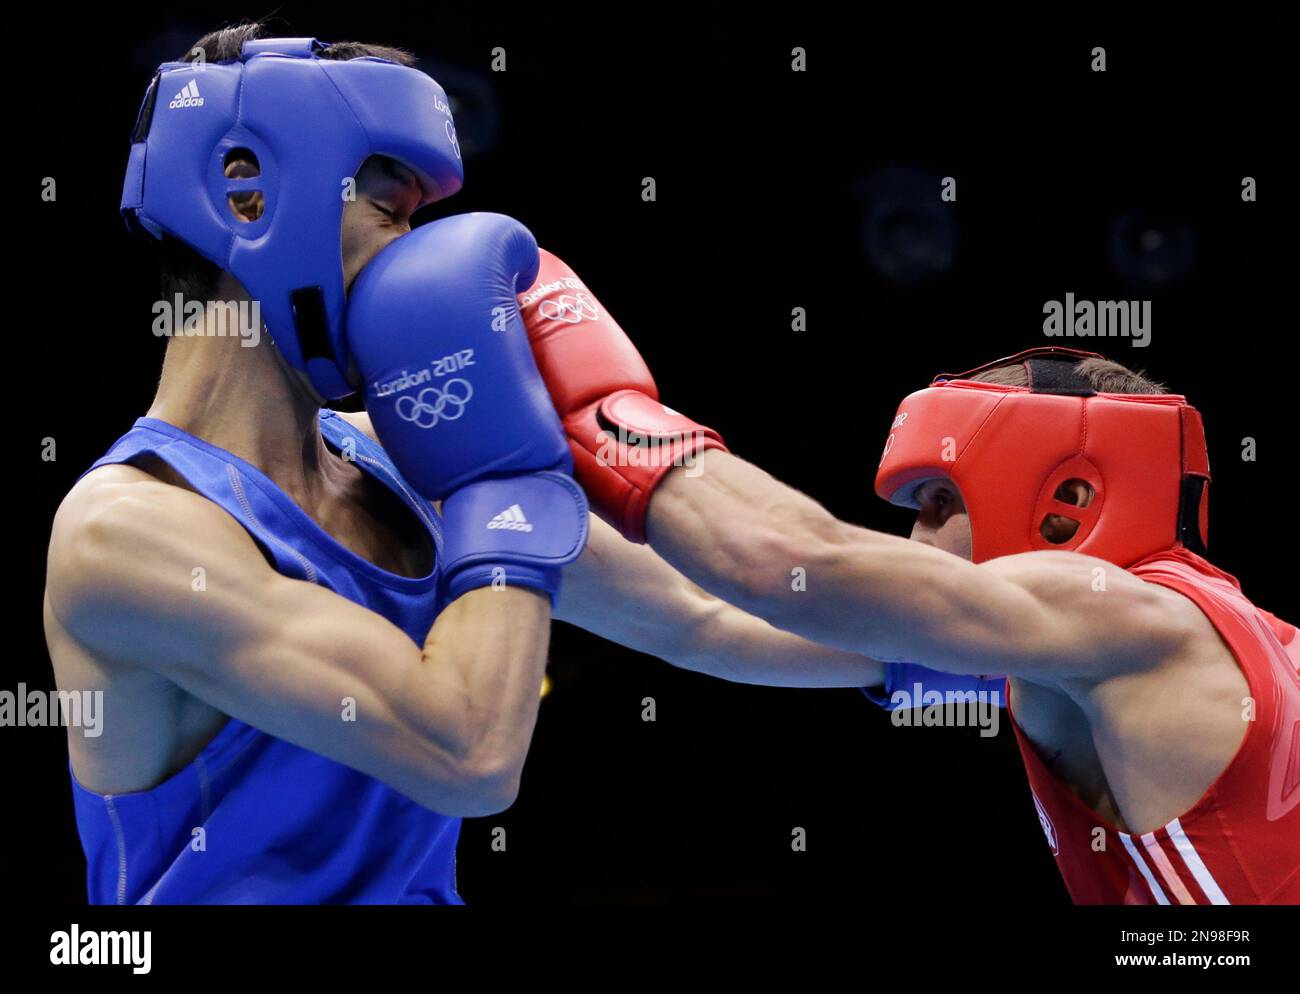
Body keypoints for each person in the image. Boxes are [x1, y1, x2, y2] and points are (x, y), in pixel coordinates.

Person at [521, 250, 1300, 904]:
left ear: (1066, 508)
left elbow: (794, 567)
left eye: (937, 503)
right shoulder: (1085, 653)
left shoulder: (1130, 617)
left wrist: (605, 414)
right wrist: (475, 505)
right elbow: (702, 616)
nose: (913, 537)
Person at [43, 26, 587, 904]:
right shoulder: (124, 531)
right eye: (392, 212)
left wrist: (894, 645)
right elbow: (470, 752)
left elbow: (704, 607)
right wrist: (504, 472)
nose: (418, 256)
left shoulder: (399, 457)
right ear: (246, 197)